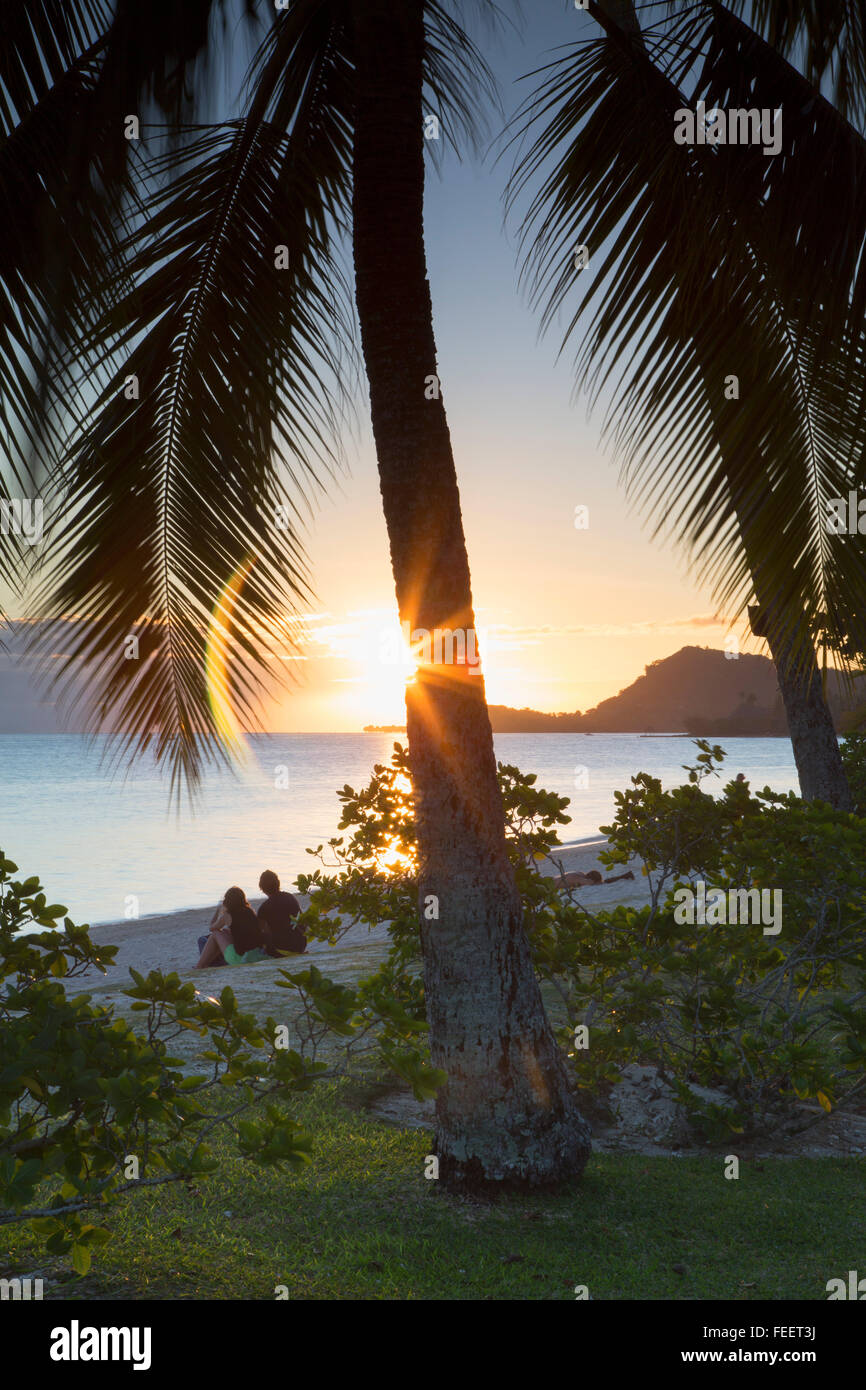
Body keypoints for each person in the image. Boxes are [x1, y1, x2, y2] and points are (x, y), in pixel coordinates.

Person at [195, 886, 268, 968]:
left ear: (228, 901)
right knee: (226, 931)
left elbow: (212, 928)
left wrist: (218, 910)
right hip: (256, 954)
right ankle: (206, 964)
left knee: (215, 934)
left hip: (240, 959)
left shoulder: (228, 915)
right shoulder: (250, 911)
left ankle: (199, 965)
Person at [256, 870, 306, 957]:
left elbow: (259, 932)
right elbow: (302, 921)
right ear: (278, 883)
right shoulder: (290, 897)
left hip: (281, 949)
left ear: (262, 888)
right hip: (300, 945)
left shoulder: (263, 908)